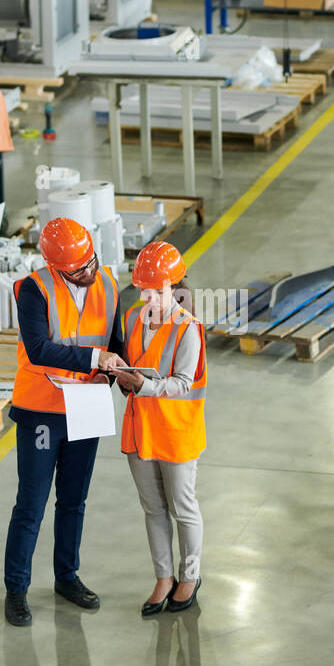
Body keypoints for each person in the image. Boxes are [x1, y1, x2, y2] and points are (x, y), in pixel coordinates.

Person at [3, 217, 127, 627]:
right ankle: (16, 590)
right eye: (79, 269)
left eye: (91, 261)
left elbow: (116, 342)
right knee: (32, 504)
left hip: (87, 405)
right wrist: (97, 360)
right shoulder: (32, 291)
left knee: (73, 501)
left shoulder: (107, 283)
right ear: (57, 267)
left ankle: (67, 577)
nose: (89, 271)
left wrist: (124, 375)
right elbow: (38, 349)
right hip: (42, 410)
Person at [109, 243, 207, 616]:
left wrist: (143, 386)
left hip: (176, 431)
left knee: (182, 507)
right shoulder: (134, 318)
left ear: (176, 286)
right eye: (144, 291)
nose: (150, 298)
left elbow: (184, 382)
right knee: (152, 508)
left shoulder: (188, 328)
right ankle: (164, 577)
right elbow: (133, 362)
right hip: (140, 428)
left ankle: (190, 576)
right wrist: (120, 375)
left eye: (159, 292)